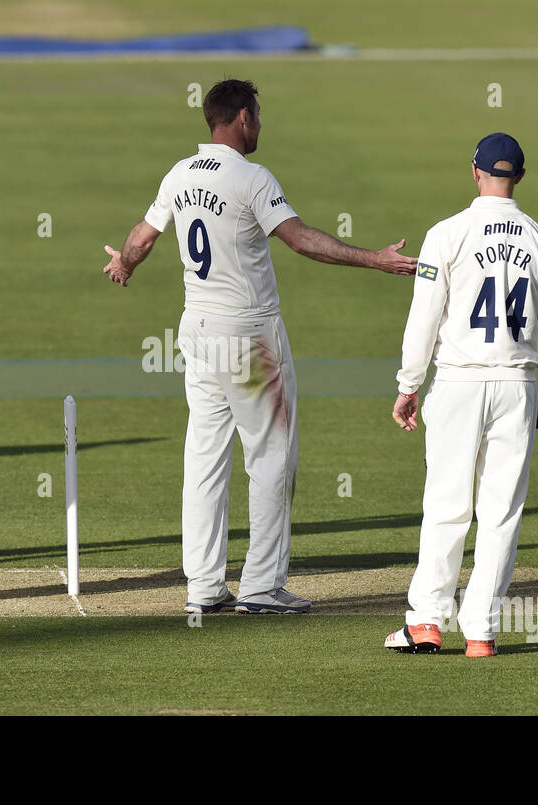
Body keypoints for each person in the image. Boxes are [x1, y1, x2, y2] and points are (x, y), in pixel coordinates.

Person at [102, 78, 416, 614]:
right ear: (243, 117)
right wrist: (375, 259)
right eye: (258, 115)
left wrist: (124, 264)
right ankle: (262, 586)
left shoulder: (180, 173)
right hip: (247, 336)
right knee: (271, 457)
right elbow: (299, 238)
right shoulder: (251, 178)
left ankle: (202, 587)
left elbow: (142, 236)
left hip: (198, 332)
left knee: (204, 458)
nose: (261, 125)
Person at [384, 133, 538, 657]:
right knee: (500, 512)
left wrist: (408, 383)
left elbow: (423, 317)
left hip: (458, 382)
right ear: (520, 177)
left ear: (474, 171)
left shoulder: (447, 234)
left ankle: (425, 621)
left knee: (446, 503)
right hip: (516, 385)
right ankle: (481, 631)